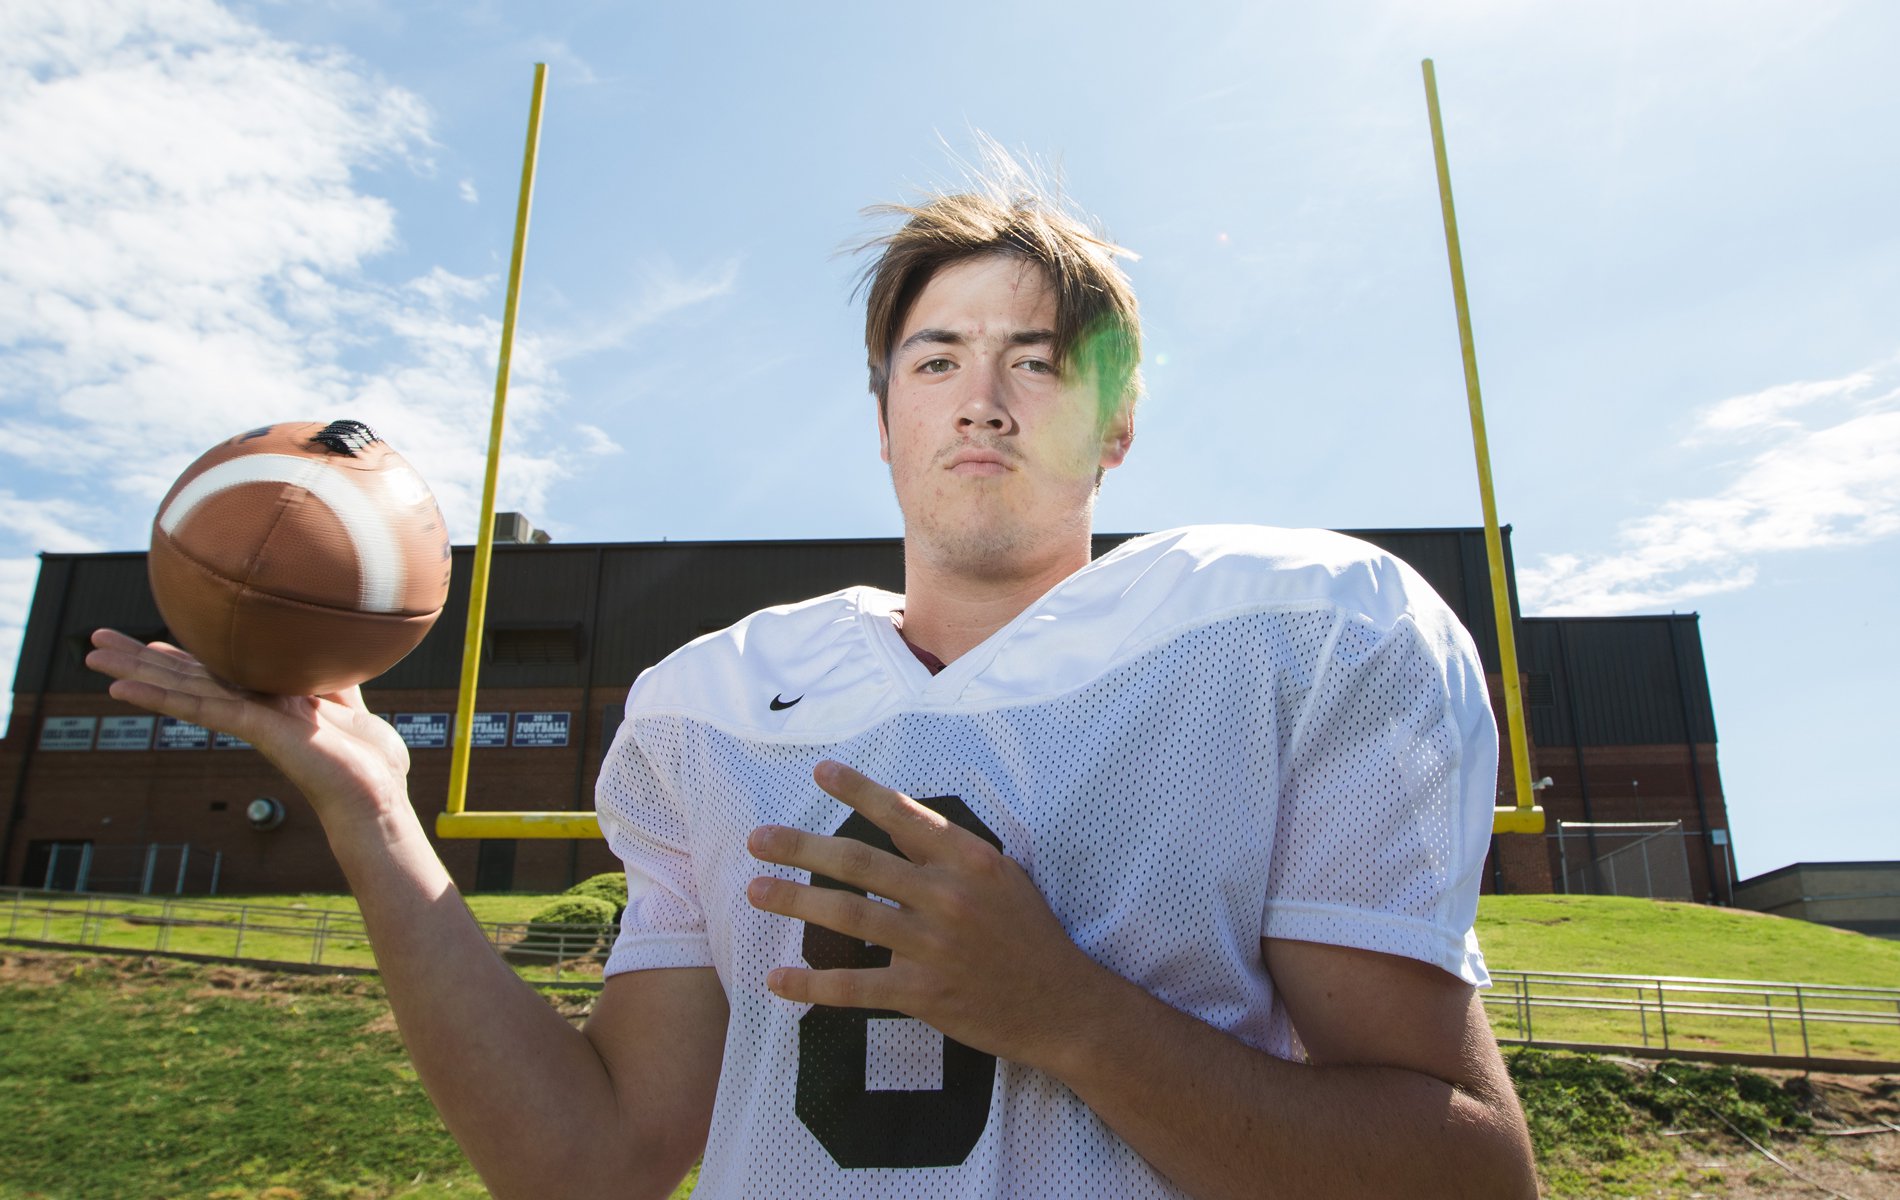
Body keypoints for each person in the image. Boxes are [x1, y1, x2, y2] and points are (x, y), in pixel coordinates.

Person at [89, 166, 1538, 1199]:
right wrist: (370, 814)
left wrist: (1070, 1015)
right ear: (884, 414)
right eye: (937, 360)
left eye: (1040, 363)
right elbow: (592, 1165)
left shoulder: (1289, 636)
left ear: (1116, 427)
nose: (985, 400)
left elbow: (1469, 1175)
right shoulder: (713, 708)